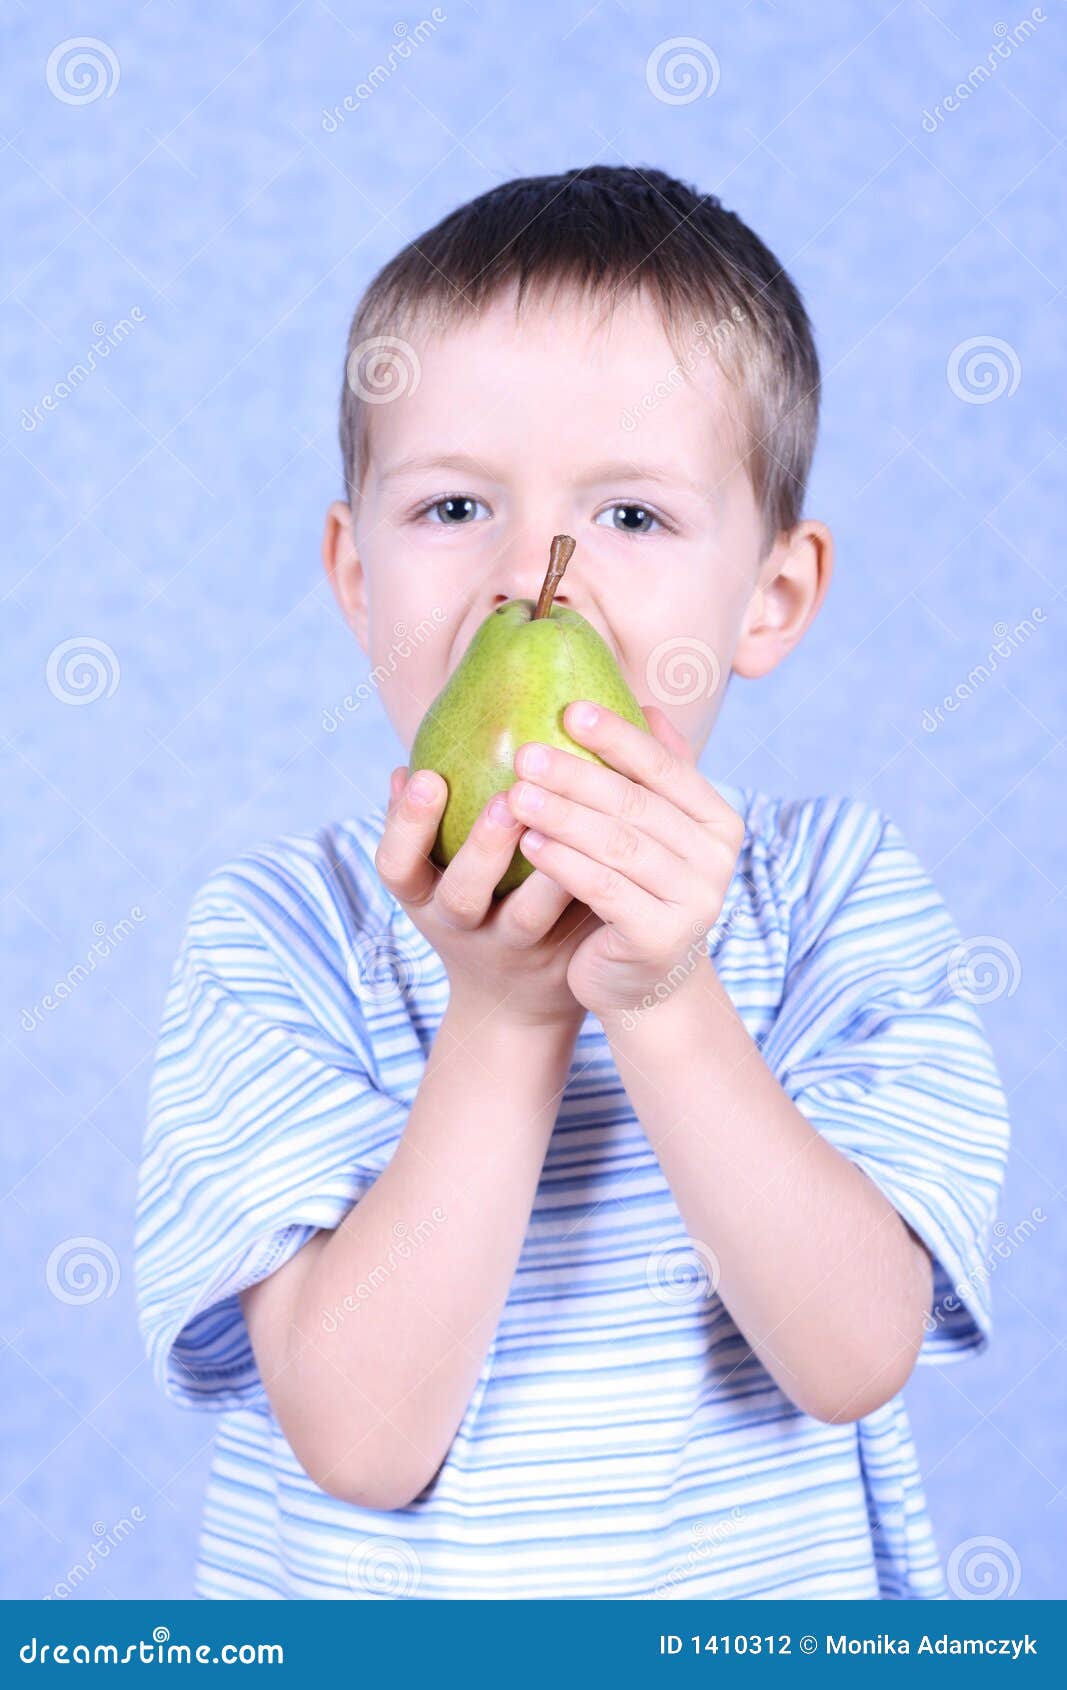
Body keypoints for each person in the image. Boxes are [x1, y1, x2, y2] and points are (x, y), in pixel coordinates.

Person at [134, 165, 1010, 1599]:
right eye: (456, 502)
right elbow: (357, 1435)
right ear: (357, 578)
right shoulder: (279, 937)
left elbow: (855, 1355)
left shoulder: (841, 895)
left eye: (634, 518)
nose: (533, 581)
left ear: (771, 598)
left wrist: (663, 995)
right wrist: (505, 1012)